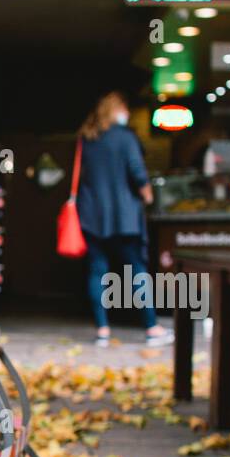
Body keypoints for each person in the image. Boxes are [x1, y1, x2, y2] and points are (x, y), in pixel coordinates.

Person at [76, 92, 172, 348]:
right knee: (136, 270)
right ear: (117, 110)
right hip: (124, 216)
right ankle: (151, 326)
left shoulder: (88, 138)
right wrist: (147, 193)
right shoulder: (126, 138)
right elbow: (136, 170)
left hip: (92, 214)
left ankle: (102, 329)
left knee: (97, 271)